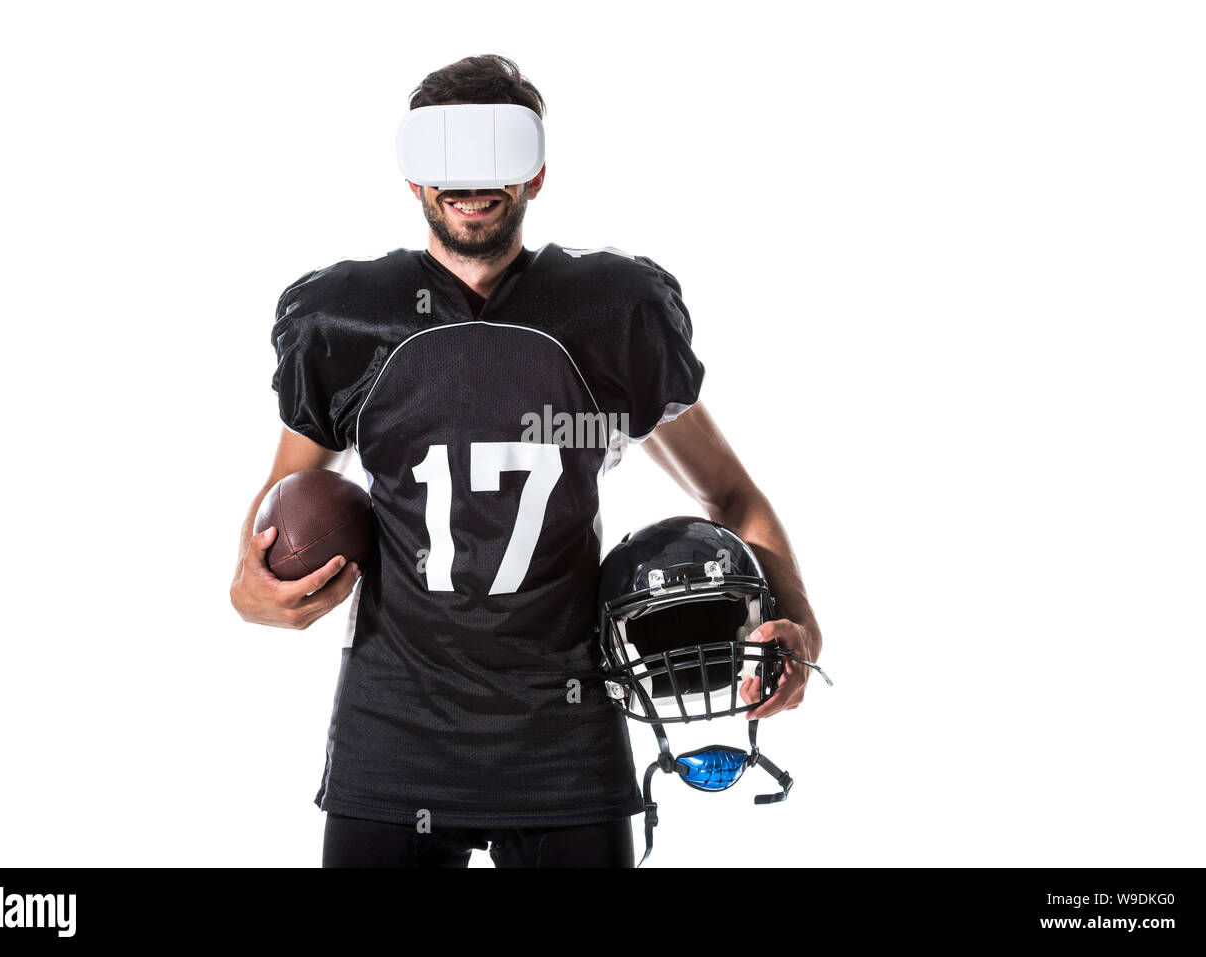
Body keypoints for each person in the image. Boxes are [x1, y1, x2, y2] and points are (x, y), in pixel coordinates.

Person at [229, 54, 823, 868]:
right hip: (395, 736)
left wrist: (803, 624)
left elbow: (729, 494)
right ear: (412, 178)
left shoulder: (612, 311)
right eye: (448, 161)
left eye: (496, 156)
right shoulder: (346, 320)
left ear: (537, 171)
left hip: (564, 741)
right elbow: (284, 500)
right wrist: (250, 587)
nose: (471, 184)